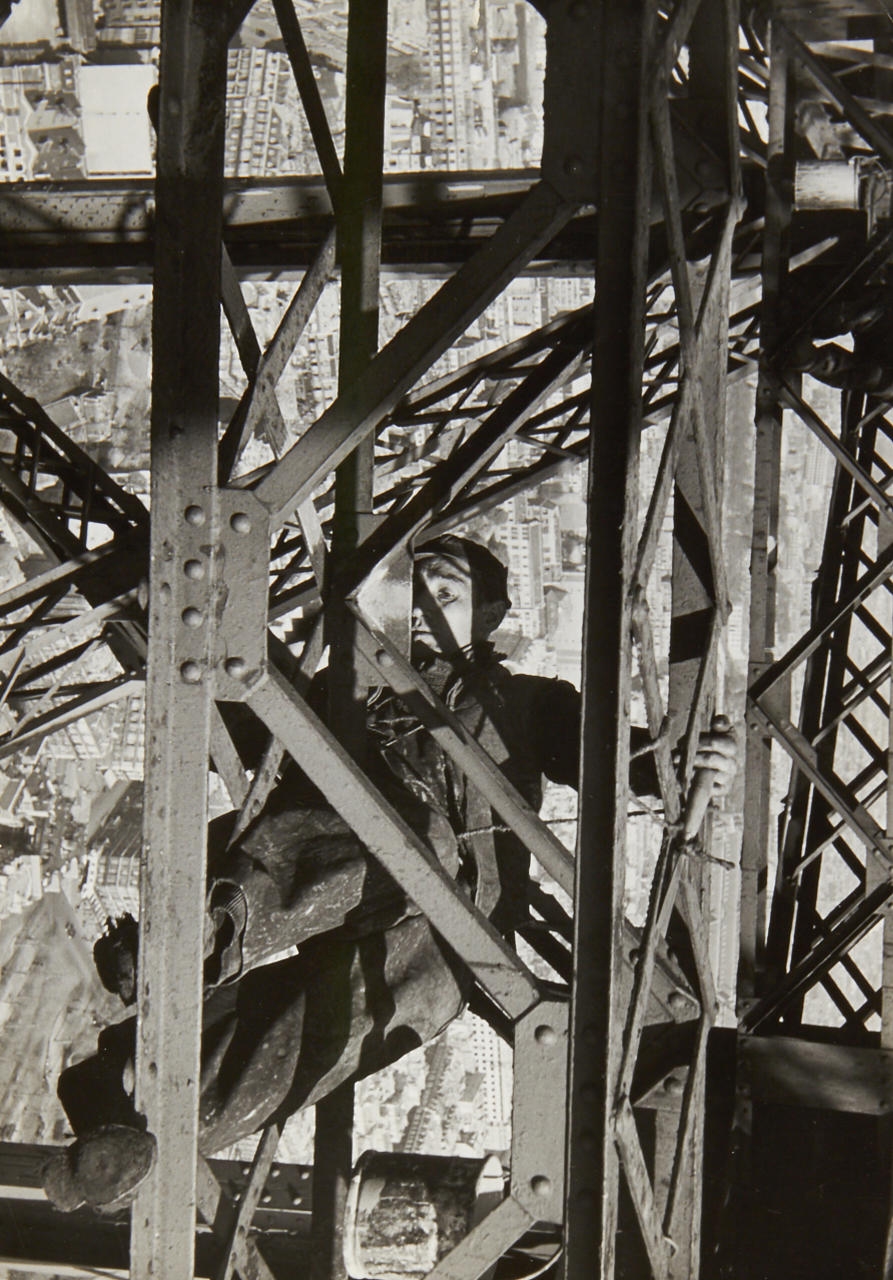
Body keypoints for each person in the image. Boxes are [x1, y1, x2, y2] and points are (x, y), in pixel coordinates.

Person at [43, 534, 736, 1213]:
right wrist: (152, 612)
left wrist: (683, 764)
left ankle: (128, 1111)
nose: (426, 607)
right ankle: (190, 943)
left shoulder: (526, 703)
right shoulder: (345, 691)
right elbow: (240, 715)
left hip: (451, 923)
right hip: (332, 857)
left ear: (490, 618)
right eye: (414, 591)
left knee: (351, 1023)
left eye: (447, 592)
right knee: (402, 844)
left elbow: (610, 758)